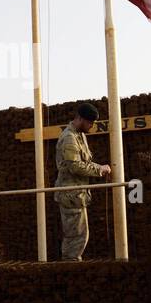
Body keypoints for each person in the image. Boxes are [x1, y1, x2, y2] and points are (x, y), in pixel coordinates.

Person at [53, 103, 110, 262]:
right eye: (90, 122)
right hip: (71, 195)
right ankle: (70, 271)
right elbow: (75, 166)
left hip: (77, 194)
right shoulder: (69, 137)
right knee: (76, 238)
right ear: (80, 119)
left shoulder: (79, 135)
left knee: (79, 236)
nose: (91, 126)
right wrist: (100, 169)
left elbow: (83, 162)